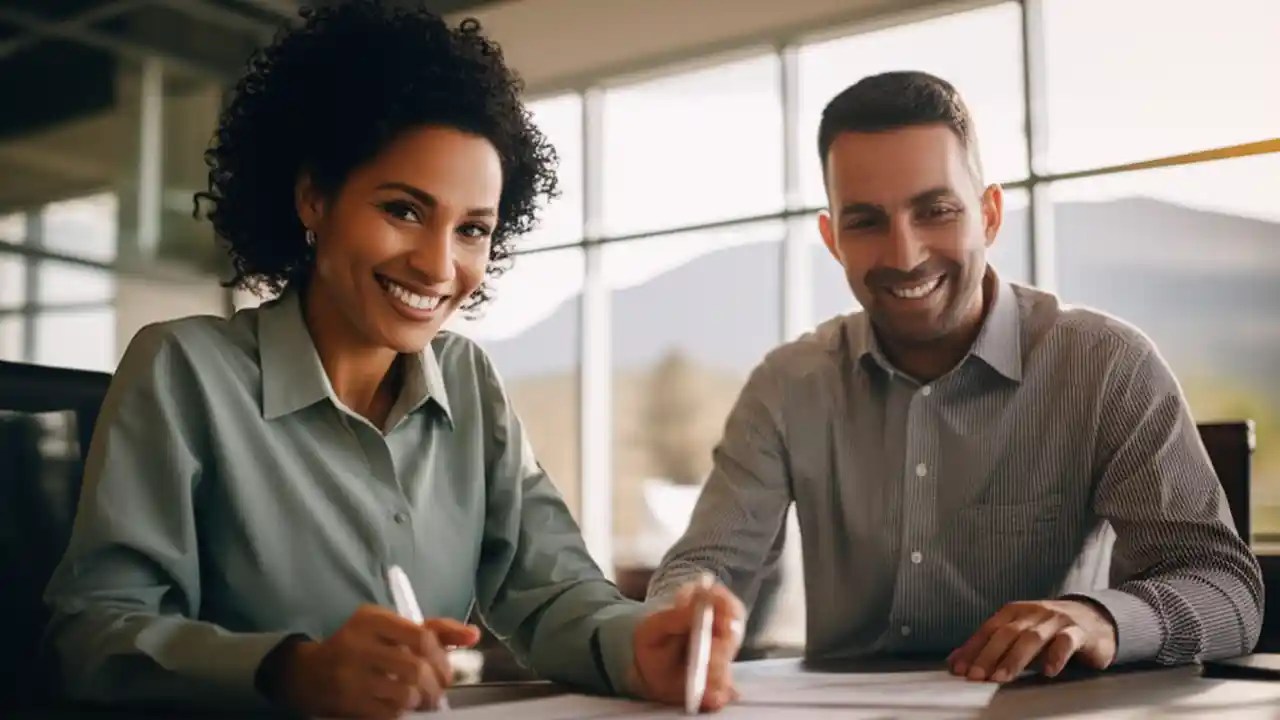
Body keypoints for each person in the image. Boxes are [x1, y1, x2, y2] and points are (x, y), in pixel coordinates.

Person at [43, 3, 743, 717]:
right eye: (403, 211)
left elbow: (553, 591)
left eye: (472, 229)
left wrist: (639, 645)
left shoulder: (468, 381)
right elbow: (96, 634)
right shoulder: (183, 370)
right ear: (313, 198)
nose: (440, 265)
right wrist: (293, 669)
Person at [648, 70, 1262, 684]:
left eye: (936, 211)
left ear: (989, 215)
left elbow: (1227, 591)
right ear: (832, 238)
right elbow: (705, 564)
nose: (904, 254)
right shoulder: (787, 385)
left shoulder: (1106, 367)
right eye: (865, 222)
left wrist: (1099, 618)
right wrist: (687, 609)